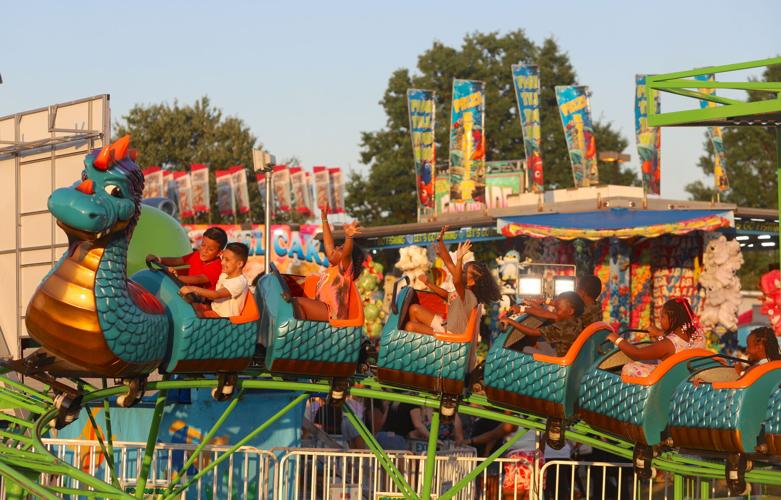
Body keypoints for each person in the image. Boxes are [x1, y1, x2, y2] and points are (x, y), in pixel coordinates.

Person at [405, 226, 501, 336]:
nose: (460, 271)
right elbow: (449, 265)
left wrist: (459, 259)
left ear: (472, 282)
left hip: (450, 336)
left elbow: (456, 281)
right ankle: (416, 343)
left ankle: (416, 344)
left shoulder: (468, 295)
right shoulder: (462, 291)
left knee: (410, 327)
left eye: (464, 272)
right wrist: (440, 241)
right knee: (414, 309)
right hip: (445, 326)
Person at [292, 203, 362, 321]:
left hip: (333, 313)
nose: (337, 247)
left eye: (341, 248)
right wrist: (324, 218)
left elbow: (347, 254)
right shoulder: (331, 268)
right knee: (291, 301)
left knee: (296, 302)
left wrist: (349, 238)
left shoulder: (344, 270)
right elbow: (328, 244)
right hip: (323, 309)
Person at [608, 298, 706, 378]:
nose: (659, 320)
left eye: (662, 317)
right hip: (687, 376)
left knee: (629, 367)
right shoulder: (699, 334)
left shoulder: (667, 344)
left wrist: (616, 339)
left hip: (669, 380)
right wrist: (660, 333)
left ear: (673, 319)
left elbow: (636, 353)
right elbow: (681, 341)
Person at [501, 292, 585, 356]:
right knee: (537, 343)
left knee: (526, 349)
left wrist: (510, 320)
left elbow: (532, 332)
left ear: (570, 311)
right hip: (568, 352)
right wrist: (523, 309)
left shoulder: (560, 327)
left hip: (559, 358)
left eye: (557, 309)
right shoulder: (576, 320)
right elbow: (545, 313)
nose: (555, 311)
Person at [179, 242, 250, 317]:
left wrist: (192, 288)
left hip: (224, 318)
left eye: (227, 260)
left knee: (189, 316)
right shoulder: (224, 275)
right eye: (222, 258)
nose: (222, 262)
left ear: (239, 264)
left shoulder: (239, 282)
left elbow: (216, 294)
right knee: (184, 307)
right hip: (213, 309)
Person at [147, 226, 228, 290]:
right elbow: (177, 261)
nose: (204, 250)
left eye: (210, 249)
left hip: (201, 302)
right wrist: (158, 259)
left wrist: (177, 277)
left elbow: (199, 279)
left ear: (220, 253)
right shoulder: (196, 255)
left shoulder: (217, 266)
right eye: (203, 245)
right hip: (187, 291)